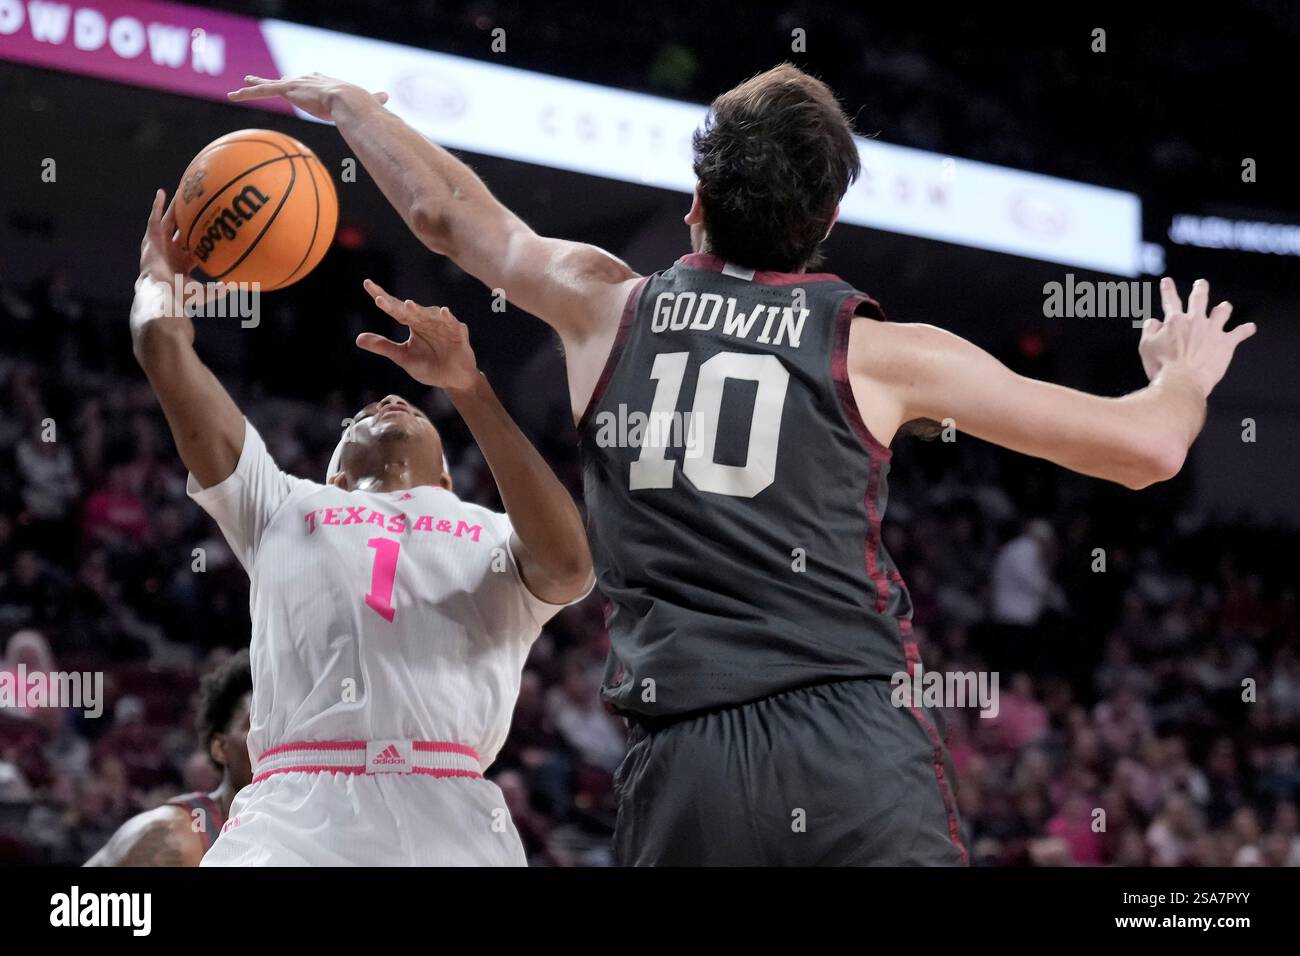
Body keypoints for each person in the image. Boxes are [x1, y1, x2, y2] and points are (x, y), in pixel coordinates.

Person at [232, 64, 1255, 865]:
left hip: (687, 758)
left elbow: (449, 216)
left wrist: (352, 108)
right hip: (852, 739)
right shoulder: (881, 350)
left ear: (694, 203)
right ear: (823, 229)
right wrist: (1183, 373)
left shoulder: (605, 304)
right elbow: (1145, 452)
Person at [131, 191, 593, 865]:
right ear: (335, 476)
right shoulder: (281, 505)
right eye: (359, 416)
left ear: (446, 484)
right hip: (295, 815)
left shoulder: (494, 531)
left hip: (451, 816)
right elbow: (161, 351)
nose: (390, 399)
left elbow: (572, 568)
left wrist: (470, 388)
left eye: (416, 407)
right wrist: (157, 285)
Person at [85, 650, 252, 866]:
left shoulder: (296, 835)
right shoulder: (169, 837)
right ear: (220, 747)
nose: (272, 738)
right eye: (254, 724)